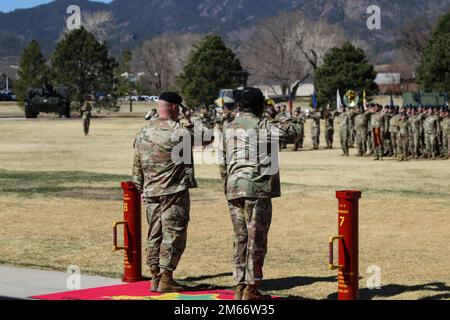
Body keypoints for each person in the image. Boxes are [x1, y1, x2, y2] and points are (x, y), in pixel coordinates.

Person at [219, 88, 301, 301]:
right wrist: (276, 113)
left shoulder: (228, 127)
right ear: (261, 106)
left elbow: (222, 161)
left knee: (240, 238)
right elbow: (296, 128)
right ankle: (251, 288)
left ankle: (239, 285)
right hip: (256, 188)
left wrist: (227, 186)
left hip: (233, 187)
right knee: (256, 239)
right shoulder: (265, 125)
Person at [132, 92, 213, 293]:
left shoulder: (143, 131)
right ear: (176, 107)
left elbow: (136, 165)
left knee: (155, 233)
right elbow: (208, 136)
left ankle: (154, 275)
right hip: (173, 191)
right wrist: (193, 116)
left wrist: (141, 188)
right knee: (174, 234)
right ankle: (166, 277)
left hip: (151, 192)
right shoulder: (179, 131)